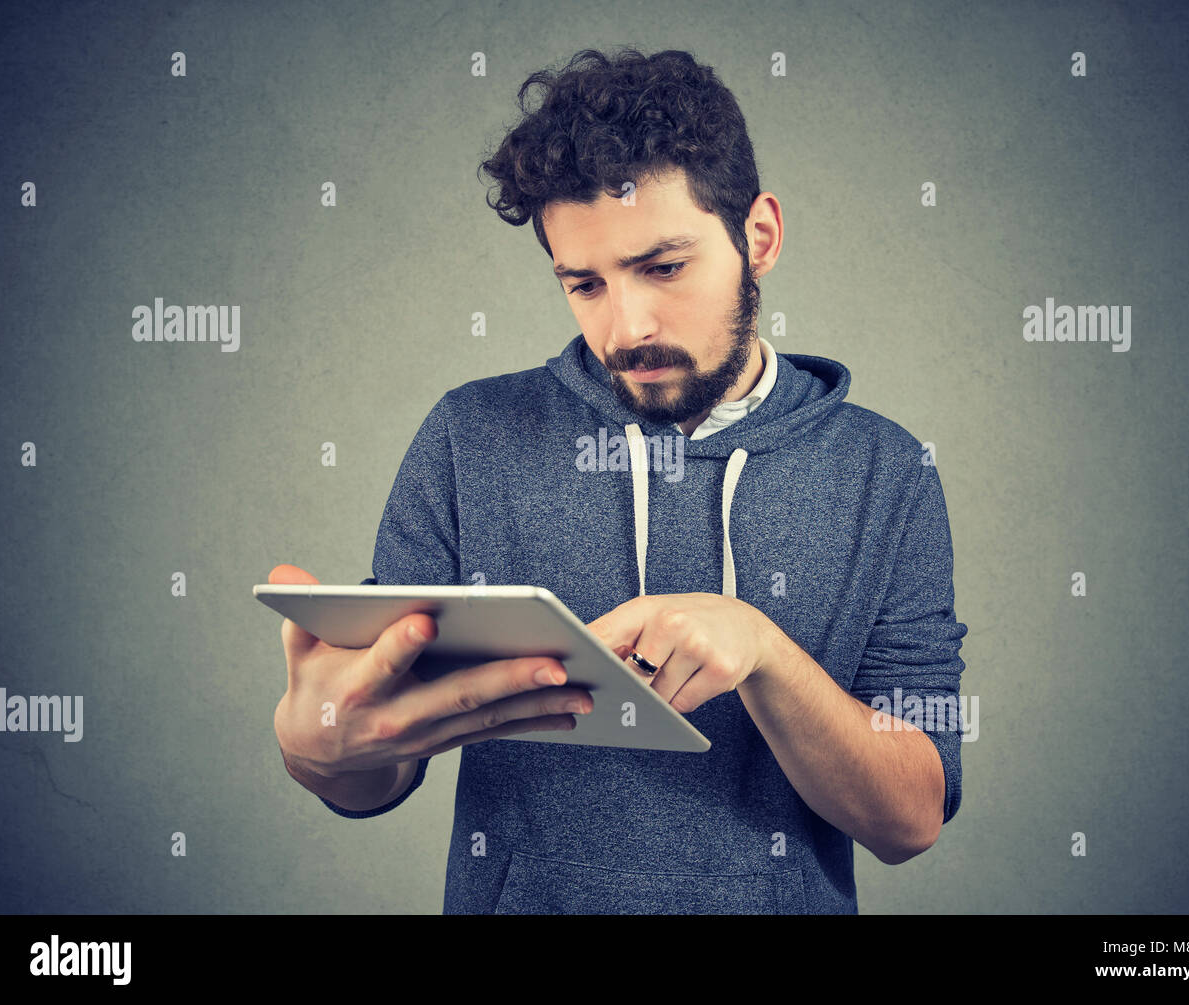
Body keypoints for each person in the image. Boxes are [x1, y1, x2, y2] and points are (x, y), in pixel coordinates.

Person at [272, 46, 968, 914]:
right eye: (585, 283)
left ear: (760, 237)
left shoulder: (886, 471)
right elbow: (382, 757)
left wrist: (761, 650)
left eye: (664, 268)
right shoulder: (470, 436)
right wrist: (326, 748)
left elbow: (911, 817)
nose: (628, 325)